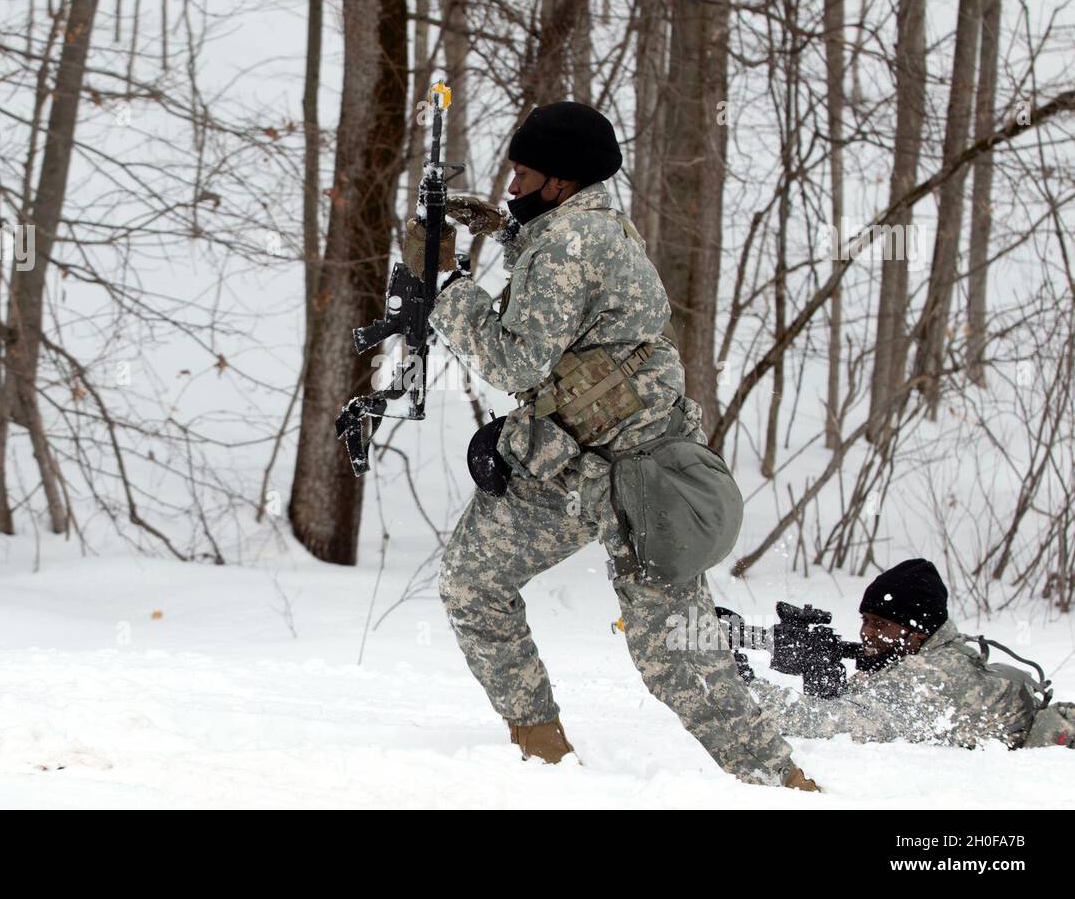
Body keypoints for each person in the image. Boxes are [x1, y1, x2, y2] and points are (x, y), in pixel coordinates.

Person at [427, 101, 818, 790]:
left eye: (522, 175)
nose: (510, 186)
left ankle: (778, 786)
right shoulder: (589, 225)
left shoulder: (569, 244)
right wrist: (501, 230)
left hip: (626, 482)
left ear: (561, 181)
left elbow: (516, 363)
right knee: (481, 582)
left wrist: (449, 289)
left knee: (669, 656)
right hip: (588, 463)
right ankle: (551, 754)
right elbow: (565, 307)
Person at [748, 559, 1048, 748]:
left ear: (917, 631)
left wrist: (741, 686)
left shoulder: (933, 675)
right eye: (865, 619)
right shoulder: (921, 655)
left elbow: (828, 724)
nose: (866, 632)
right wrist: (823, 673)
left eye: (880, 623)